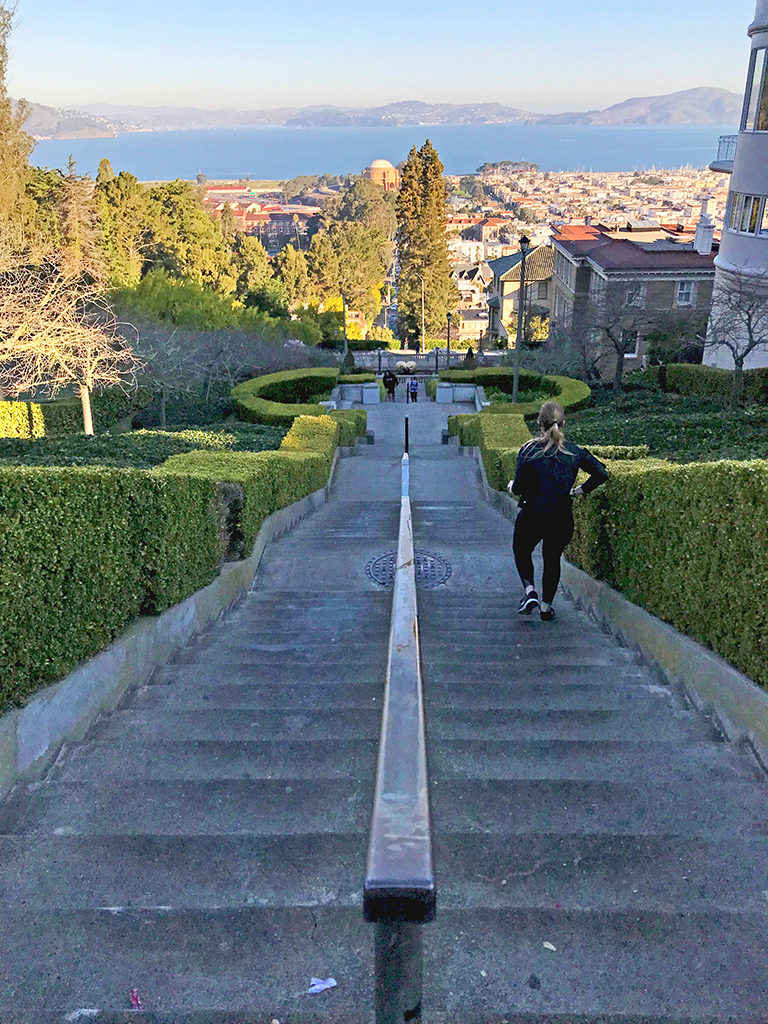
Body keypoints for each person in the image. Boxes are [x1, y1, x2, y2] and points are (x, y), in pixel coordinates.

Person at [507, 401, 608, 621]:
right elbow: (601, 473)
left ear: (538, 423)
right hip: (561, 515)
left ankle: (530, 591)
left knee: (521, 550)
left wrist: (511, 486)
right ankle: (546, 607)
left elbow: (519, 488)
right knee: (552, 558)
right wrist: (578, 491)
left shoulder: (528, 450)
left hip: (532, 513)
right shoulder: (574, 452)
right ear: (563, 423)